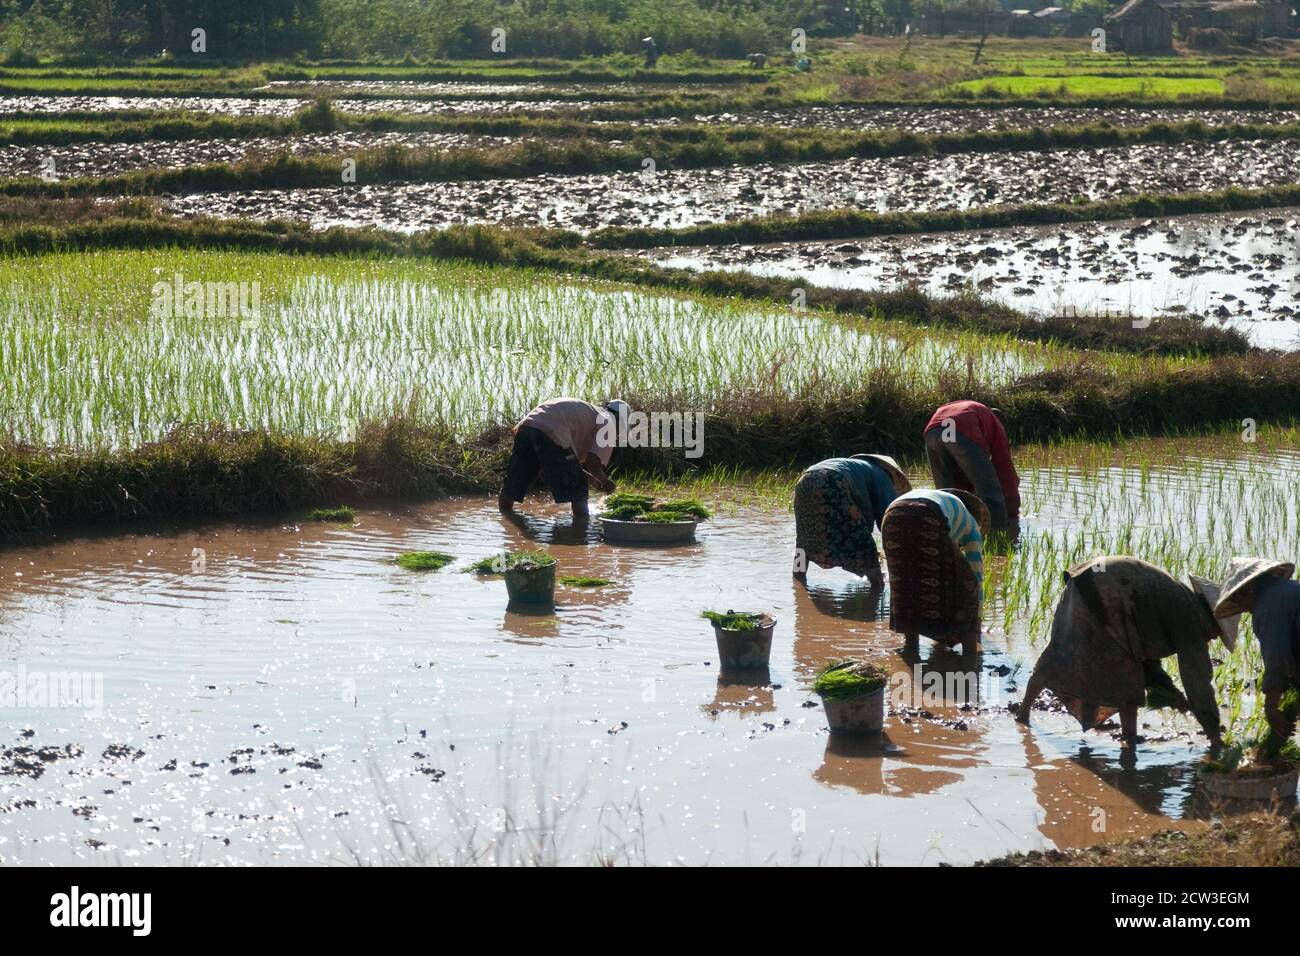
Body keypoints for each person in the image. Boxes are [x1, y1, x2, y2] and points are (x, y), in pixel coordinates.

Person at [1016, 556, 1228, 749]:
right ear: (1209, 617)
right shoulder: (1190, 619)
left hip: (1086, 579)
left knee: (1060, 650)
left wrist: (1171, 694)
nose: (1213, 637)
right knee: (1127, 672)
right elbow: (1197, 679)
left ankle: (1023, 712)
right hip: (1105, 590)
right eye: (1217, 632)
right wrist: (1213, 732)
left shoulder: (1179, 599)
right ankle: (1129, 740)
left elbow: (1146, 658)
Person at [881, 488, 990, 656]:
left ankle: (911, 648)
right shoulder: (971, 525)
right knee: (968, 588)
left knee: (906, 579)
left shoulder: (948, 504)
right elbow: (976, 574)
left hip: (891, 516)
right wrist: (977, 617)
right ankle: (971, 656)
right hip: (927, 514)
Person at [1211, 557, 1299, 745]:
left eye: (1238, 601)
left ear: (1248, 590)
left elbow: (1278, 657)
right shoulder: (1291, 590)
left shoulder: (1267, 607)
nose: (1245, 609)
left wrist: (1271, 707)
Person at [792, 454, 911, 587]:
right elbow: (889, 518)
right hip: (833, 480)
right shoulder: (882, 475)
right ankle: (877, 586)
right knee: (862, 540)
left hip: (804, 480)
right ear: (892, 472)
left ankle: (798, 580)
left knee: (804, 537)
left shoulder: (856, 466)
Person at [498, 398, 627, 518]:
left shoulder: (593, 413)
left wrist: (592, 479)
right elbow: (593, 462)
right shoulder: (609, 421)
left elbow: (562, 460)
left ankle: (505, 517)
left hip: (526, 427)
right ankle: (580, 530)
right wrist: (605, 481)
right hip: (553, 430)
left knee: (514, 483)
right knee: (579, 491)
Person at [923, 400, 1020, 537]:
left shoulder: (973, 410)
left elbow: (965, 474)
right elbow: (1005, 470)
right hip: (961, 426)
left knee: (945, 493)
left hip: (932, 430)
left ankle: (946, 535)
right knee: (989, 489)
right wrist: (1012, 513)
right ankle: (997, 536)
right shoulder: (996, 425)